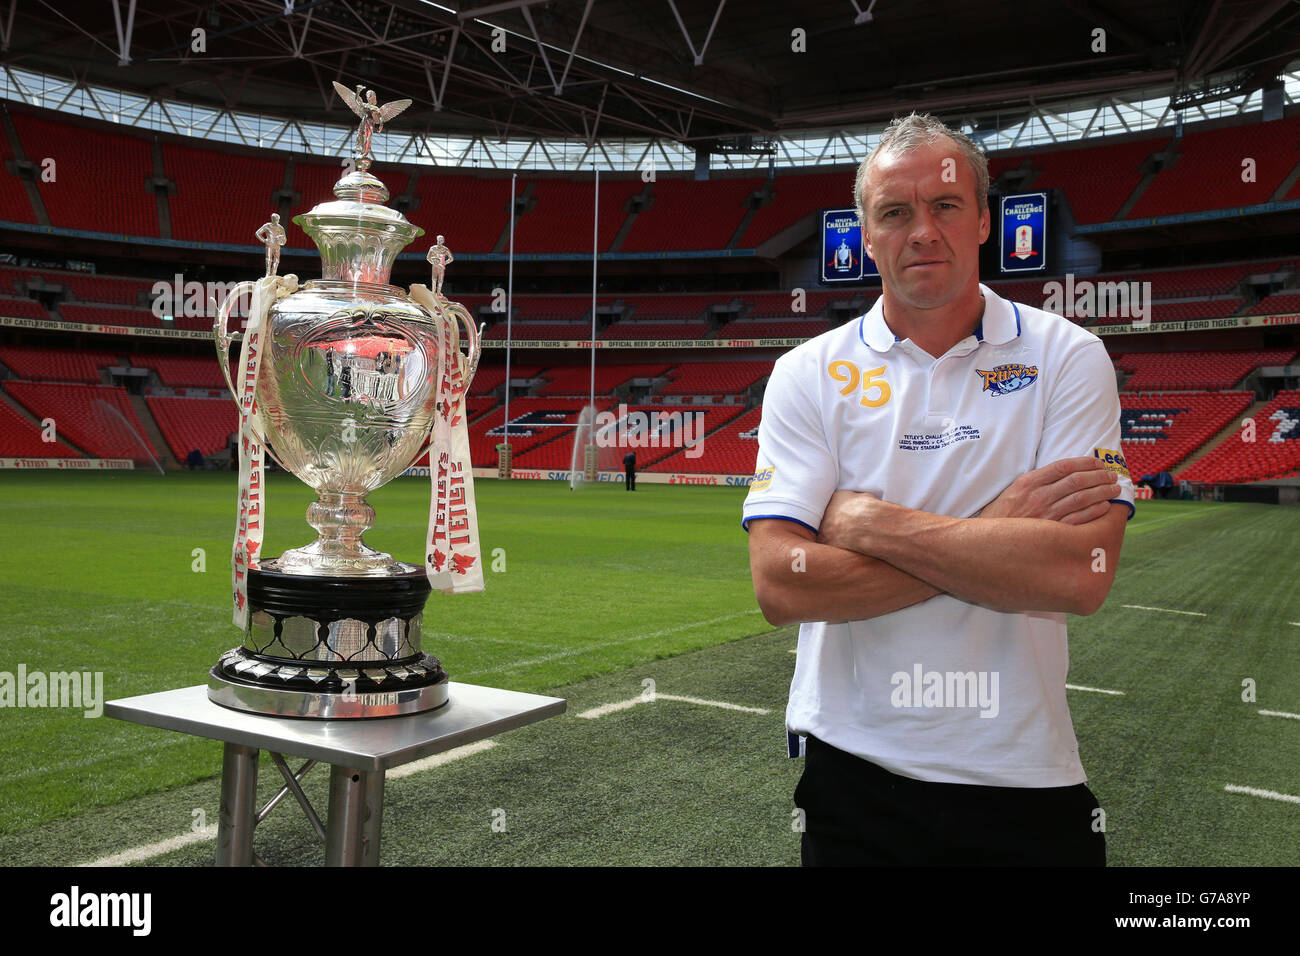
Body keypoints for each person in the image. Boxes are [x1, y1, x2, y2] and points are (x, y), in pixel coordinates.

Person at [743, 112, 1134, 867]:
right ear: (864, 232)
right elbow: (780, 584)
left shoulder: (1068, 358)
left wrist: (863, 522)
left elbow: (1074, 575)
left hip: (1023, 769)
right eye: (895, 212)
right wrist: (998, 528)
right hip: (853, 776)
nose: (922, 230)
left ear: (985, 218)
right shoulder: (808, 373)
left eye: (945, 204)